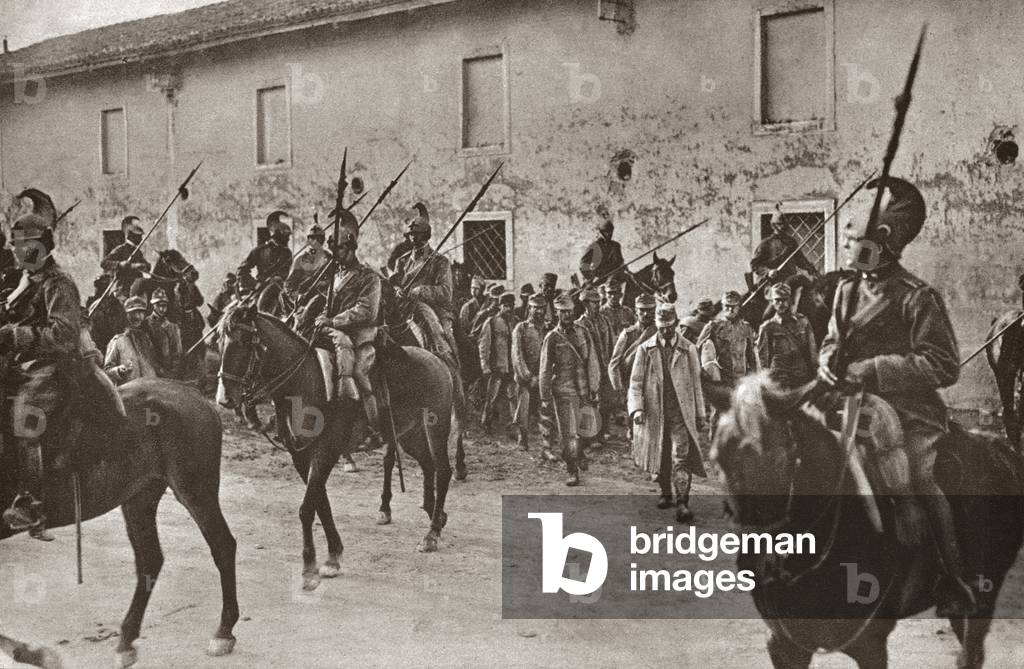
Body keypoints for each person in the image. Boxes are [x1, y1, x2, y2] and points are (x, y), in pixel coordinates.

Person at [818, 175, 974, 617]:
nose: (847, 250)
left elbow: (943, 365)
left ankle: (951, 579)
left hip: (909, 412)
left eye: (854, 242)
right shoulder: (846, 290)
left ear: (882, 242)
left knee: (921, 481)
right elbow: (832, 341)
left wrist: (872, 370)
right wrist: (828, 360)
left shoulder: (917, 298)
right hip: (848, 402)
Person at [0, 207, 82, 540]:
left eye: (21, 244)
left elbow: (65, 336)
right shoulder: (27, 279)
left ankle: (30, 503)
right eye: (14, 244)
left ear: (38, 246)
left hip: (53, 368)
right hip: (21, 362)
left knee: (25, 414)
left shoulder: (58, 283)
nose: (14, 251)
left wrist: (15, 335)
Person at [628, 303, 706, 522]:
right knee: (660, 453)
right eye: (661, 327)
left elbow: (696, 384)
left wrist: (700, 414)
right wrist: (636, 409)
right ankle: (665, 493)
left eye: (670, 326)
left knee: (680, 455)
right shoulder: (645, 349)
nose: (665, 331)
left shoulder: (688, 348)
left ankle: (683, 503)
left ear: (676, 323)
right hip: (656, 412)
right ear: (656, 324)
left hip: (681, 412)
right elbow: (635, 383)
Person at [314, 210, 383, 444]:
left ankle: (374, 429)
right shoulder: (336, 275)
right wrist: (322, 317)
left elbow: (366, 311)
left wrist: (333, 321)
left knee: (359, 372)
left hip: (361, 335)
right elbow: (328, 304)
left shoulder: (369, 277)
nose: (335, 255)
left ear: (351, 248)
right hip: (335, 333)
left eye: (339, 250)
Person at [539, 294, 601, 486]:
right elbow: (545, 368)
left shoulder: (583, 332)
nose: (566, 315)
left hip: (583, 390)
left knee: (585, 429)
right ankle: (572, 469)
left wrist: (594, 386)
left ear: (574, 311)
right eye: (562, 312)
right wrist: (545, 395)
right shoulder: (552, 337)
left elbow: (592, 359)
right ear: (556, 313)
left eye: (569, 311)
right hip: (563, 391)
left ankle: (579, 453)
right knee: (568, 434)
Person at [391, 202, 458, 366]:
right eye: (411, 234)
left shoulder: (440, 261)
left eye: (417, 233)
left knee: (443, 335)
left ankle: (452, 371)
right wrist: (397, 290)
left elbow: (445, 292)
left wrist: (421, 290)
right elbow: (392, 282)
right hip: (404, 306)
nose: (413, 237)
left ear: (426, 235)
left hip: (433, 308)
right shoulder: (402, 260)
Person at [697, 290, 757, 437]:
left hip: (741, 380)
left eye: (733, 306)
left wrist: (753, 377)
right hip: (722, 380)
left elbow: (750, 355)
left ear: (739, 307)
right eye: (726, 306)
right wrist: (707, 373)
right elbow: (698, 349)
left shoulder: (746, 328)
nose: (729, 310)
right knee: (718, 417)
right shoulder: (713, 326)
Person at [756, 283, 817, 389]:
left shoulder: (803, 322)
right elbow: (764, 361)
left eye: (784, 299)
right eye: (777, 300)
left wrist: (815, 374)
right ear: (772, 302)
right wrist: (766, 384)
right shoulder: (767, 328)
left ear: (789, 300)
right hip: (780, 380)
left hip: (801, 377)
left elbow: (812, 352)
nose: (781, 303)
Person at [576, 287, 614, 444]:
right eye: (593, 303)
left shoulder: (604, 321)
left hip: (605, 366)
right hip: (588, 369)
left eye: (598, 302)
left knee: (606, 400)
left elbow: (611, 342)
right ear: (585, 304)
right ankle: (587, 436)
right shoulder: (580, 324)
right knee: (588, 401)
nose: (597, 305)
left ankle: (603, 432)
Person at [238, 210, 293, 312]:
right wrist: (255, 284)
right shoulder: (259, 251)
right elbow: (241, 271)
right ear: (278, 234)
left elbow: (284, 274)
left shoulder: (287, 253)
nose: (288, 239)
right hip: (261, 291)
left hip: (280, 291)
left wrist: (277, 279)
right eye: (286, 236)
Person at [511, 294, 548, 449]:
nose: (539, 311)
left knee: (545, 411)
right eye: (535, 308)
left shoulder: (548, 329)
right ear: (529, 308)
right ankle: (523, 438)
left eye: (542, 308)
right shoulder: (521, 328)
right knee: (523, 410)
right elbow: (517, 355)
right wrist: (527, 376)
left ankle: (547, 444)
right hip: (525, 378)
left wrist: (542, 377)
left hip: (543, 377)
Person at [478, 292, 517, 433]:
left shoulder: (515, 322)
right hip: (497, 366)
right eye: (505, 306)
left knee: (512, 396)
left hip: (511, 366)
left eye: (511, 306)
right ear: (500, 306)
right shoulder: (491, 322)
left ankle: (511, 425)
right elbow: (484, 345)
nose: (508, 309)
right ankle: (486, 423)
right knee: (492, 396)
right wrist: (485, 366)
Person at [750, 209, 819, 287]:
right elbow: (754, 265)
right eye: (779, 224)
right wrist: (768, 272)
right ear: (773, 226)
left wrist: (811, 270)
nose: (782, 227)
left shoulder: (791, 242)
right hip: (772, 283)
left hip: (790, 280)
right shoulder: (765, 244)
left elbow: (800, 260)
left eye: (784, 224)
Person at [104, 296, 163, 384]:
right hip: (130, 392)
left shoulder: (148, 339)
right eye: (133, 313)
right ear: (127, 316)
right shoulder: (117, 341)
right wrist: (118, 370)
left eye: (140, 313)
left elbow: (155, 365)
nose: (137, 317)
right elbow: (107, 372)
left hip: (150, 390)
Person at [608, 293, 658, 394]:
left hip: (655, 387)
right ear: (636, 310)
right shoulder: (628, 334)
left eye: (649, 310)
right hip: (631, 387)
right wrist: (619, 389)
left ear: (655, 310)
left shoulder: (660, 333)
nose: (645, 314)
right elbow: (614, 365)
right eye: (642, 310)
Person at [100, 216, 150, 301]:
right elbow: (104, 263)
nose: (141, 239)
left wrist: (144, 265)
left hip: (137, 289)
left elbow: (148, 266)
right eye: (138, 236)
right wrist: (119, 264)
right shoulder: (120, 249)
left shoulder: (138, 252)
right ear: (130, 236)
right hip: (122, 290)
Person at [284, 224, 331, 301]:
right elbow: (289, 285)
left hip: (324, 297)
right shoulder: (300, 260)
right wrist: (297, 297)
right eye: (312, 238)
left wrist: (326, 283)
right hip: (304, 299)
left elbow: (336, 278)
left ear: (323, 240)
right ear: (308, 240)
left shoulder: (329, 259)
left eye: (319, 238)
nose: (315, 241)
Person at [579, 208, 625, 286]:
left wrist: (622, 267)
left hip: (615, 278)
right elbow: (583, 265)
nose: (609, 234)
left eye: (611, 232)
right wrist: (593, 276)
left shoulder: (616, 246)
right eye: (607, 232)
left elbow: (620, 262)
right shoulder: (594, 246)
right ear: (601, 232)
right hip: (598, 279)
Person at [146, 288, 183, 378]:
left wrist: (173, 372)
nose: (162, 309)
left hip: (168, 372)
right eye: (158, 305)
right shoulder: (145, 324)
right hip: (149, 371)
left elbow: (177, 352)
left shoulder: (172, 327)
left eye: (164, 306)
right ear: (153, 305)